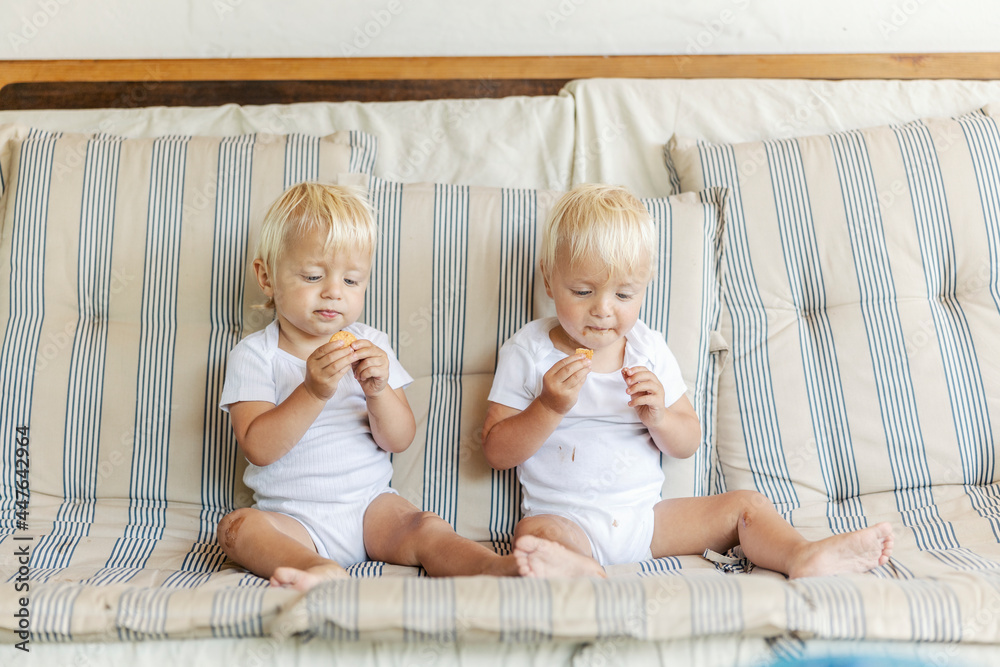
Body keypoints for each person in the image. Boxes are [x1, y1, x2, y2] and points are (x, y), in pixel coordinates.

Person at [482, 183, 894, 579]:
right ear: (549, 279)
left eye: (623, 295)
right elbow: (497, 451)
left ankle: (801, 554)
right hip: (565, 522)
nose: (603, 310)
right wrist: (548, 407)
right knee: (533, 536)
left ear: (645, 286)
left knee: (747, 505)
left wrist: (660, 417)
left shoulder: (648, 349)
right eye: (582, 291)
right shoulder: (529, 351)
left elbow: (688, 442)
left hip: (648, 521)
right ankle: (579, 570)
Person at [217, 182, 519, 590]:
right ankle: (314, 567)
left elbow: (399, 439)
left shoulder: (372, 345)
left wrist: (378, 391)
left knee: (425, 525)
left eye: (352, 280)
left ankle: (493, 569)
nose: (333, 292)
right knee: (237, 527)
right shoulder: (255, 355)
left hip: (370, 509)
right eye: (313, 276)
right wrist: (312, 392)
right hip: (292, 519)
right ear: (266, 277)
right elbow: (259, 448)